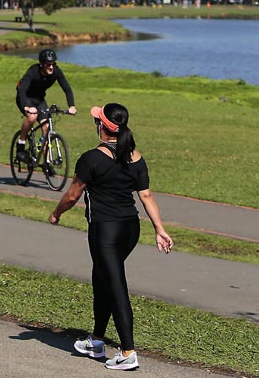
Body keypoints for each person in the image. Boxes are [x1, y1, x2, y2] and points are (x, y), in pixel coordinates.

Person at [49, 103, 173, 371]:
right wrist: (159, 229)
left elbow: (72, 195)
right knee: (102, 277)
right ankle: (96, 341)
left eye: (97, 120)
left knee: (115, 285)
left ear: (102, 127)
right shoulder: (135, 157)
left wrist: (56, 213)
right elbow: (146, 196)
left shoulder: (91, 159)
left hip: (105, 230)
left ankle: (128, 353)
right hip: (130, 229)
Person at [16, 48, 77, 143]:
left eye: (53, 64)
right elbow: (21, 90)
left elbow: (67, 89)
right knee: (32, 117)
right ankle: (21, 142)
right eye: (48, 64)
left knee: (47, 128)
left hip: (39, 100)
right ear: (41, 64)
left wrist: (71, 106)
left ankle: (47, 157)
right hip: (26, 98)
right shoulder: (33, 71)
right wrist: (26, 106)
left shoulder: (56, 71)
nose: (51, 67)